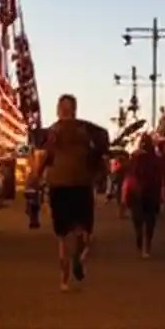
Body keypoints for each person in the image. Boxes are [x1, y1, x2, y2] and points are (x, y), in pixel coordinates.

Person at [34, 94, 101, 292]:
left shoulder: (54, 131)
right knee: (83, 231)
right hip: (81, 183)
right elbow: (96, 153)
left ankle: (64, 280)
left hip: (60, 184)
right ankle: (78, 256)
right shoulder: (85, 131)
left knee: (62, 236)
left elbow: (47, 156)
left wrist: (36, 176)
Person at [123, 133, 163, 258]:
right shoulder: (156, 157)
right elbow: (159, 175)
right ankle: (147, 246)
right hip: (151, 191)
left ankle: (139, 237)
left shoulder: (135, 156)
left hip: (137, 192)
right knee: (150, 220)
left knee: (138, 219)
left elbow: (129, 174)